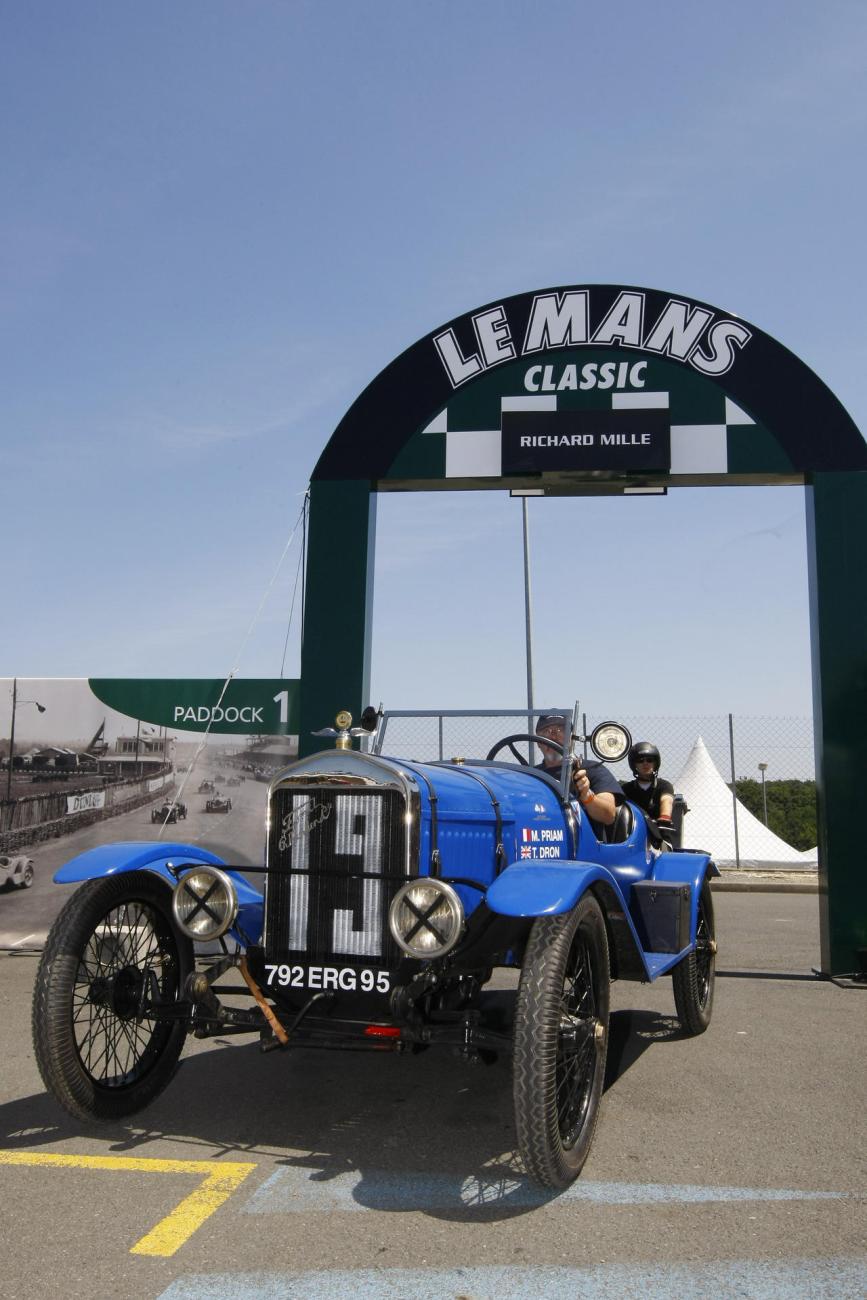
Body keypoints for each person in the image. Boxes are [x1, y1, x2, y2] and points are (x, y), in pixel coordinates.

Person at [534, 713, 624, 835]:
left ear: (571, 738)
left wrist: (587, 795)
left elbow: (608, 815)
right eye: (547, 731)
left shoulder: (593, 769)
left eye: (561, 730)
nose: (553, 736)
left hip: (585, 848)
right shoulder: (531, 776)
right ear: (538, 741)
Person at [622, 742, 675, 842]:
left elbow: (667, 800)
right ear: (634, 765)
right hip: (633, 836)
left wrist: (665, 817)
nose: (645, 763)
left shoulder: (664, 785)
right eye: (640, 760)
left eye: (649, 760)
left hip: (660, 836)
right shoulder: (626, 789)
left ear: (655, 763)